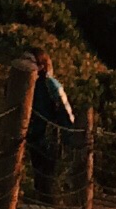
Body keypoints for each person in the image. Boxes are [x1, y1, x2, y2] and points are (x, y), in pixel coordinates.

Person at [22, 54, 78, 198]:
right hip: (33, 136)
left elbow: (65, 112)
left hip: (48, 137)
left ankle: (46, 206)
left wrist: (69, 138)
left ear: (41, 66)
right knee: (38, 176)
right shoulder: (25, 83)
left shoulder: (50, 84)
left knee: (46, 178)